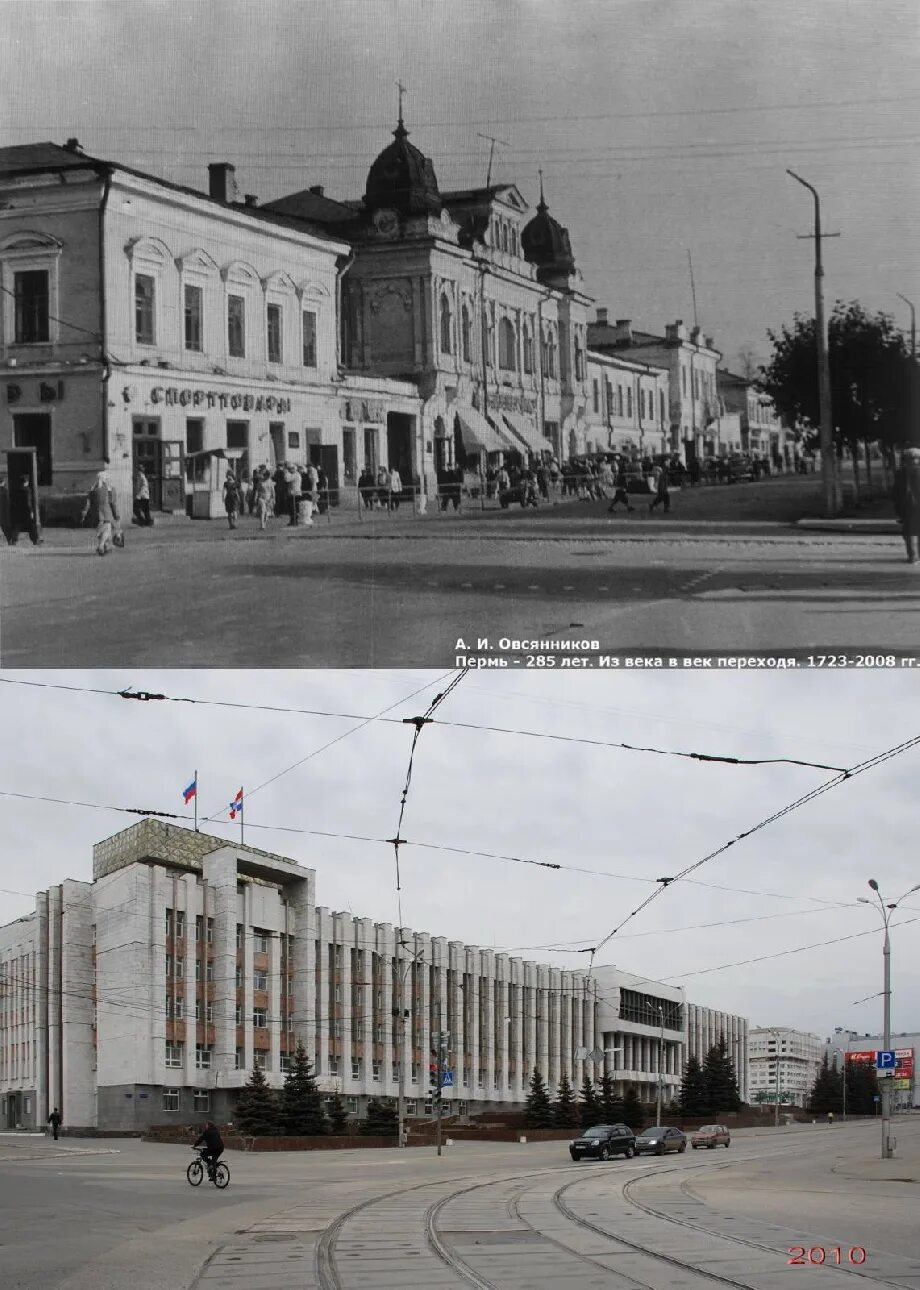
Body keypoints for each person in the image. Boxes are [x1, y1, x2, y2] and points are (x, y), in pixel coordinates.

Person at [81, 469, 120, 555]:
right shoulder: (109, 489)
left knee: (102, 531)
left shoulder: (93, 489)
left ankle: (106, 546)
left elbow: (88, 503)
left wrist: (85, 513)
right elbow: (113, 503)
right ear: (106, 478)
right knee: (107, 529)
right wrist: (116, 514)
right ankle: (101, 546)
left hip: (95, 514)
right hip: (106, 512)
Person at [893, 446, 920, 564]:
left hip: (907, 506)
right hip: (913, 506)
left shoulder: (900, 473)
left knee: (909, 532)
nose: (914, 460)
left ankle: (912, 556)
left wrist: (898, 509)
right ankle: (914, 555)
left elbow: (896, 492)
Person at [7, 472, 41, 546]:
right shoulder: (27, 490)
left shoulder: (17, 491)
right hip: (26, 512)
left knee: (18, 526)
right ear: (26, 482)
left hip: (19, 512)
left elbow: (13, 500)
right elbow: (28, 502)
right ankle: (35, 540)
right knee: (31, 527)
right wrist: (31, 511)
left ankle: (13, 540)